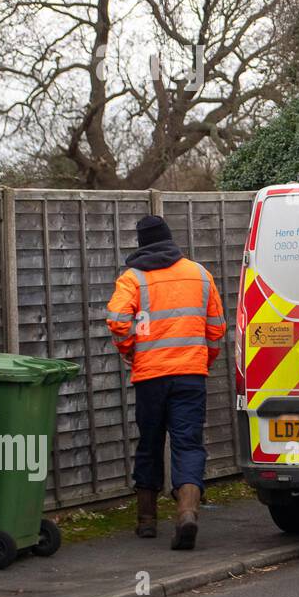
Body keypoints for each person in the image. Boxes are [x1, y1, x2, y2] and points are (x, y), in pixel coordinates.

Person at [105, 215, 226, 549]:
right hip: (190, 375)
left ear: (141, 244)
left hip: (150, 376)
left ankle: (146, 521)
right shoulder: (199, 274)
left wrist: (130, 349)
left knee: (150, 442)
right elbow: (216, 328)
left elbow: (117, 321)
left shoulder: (133, 279)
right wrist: (203, 359)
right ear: (170, 240)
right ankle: (187, 512)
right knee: (188, 443)